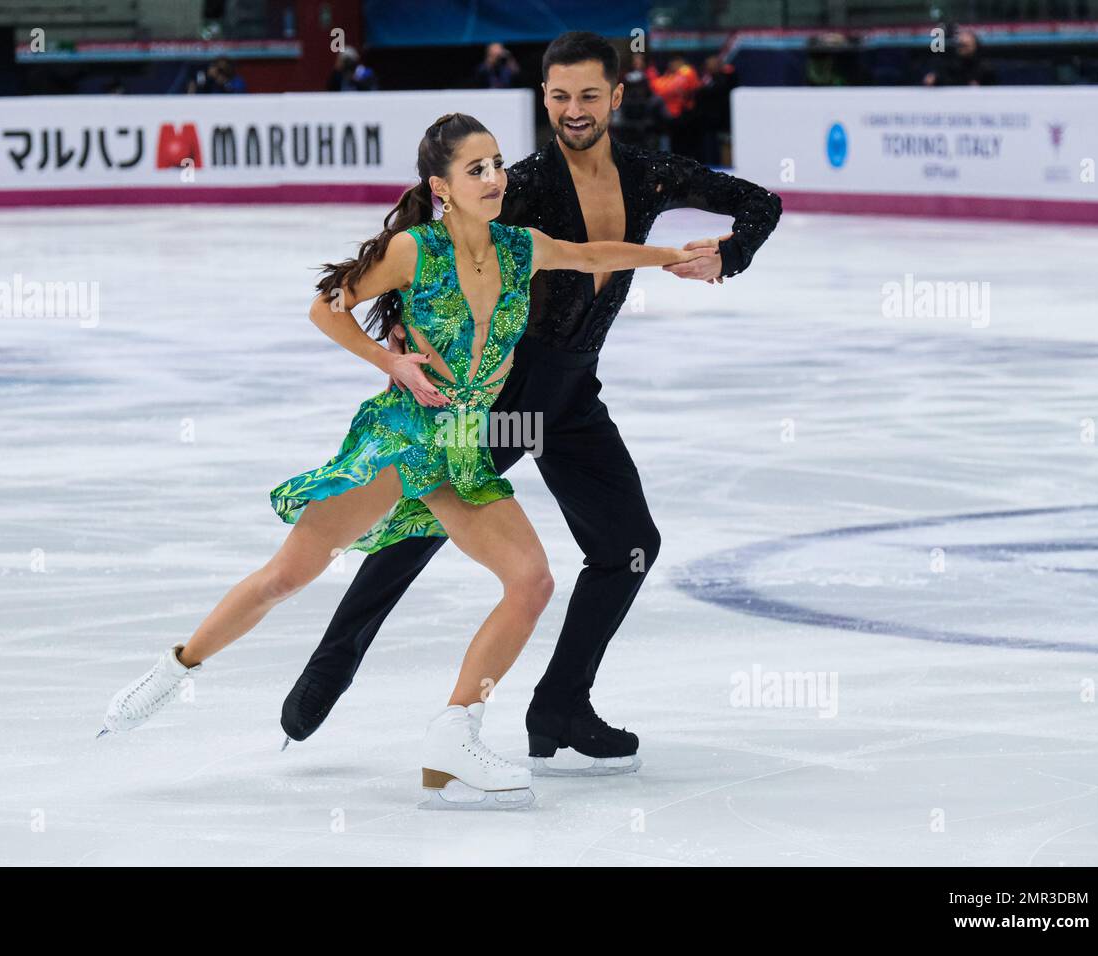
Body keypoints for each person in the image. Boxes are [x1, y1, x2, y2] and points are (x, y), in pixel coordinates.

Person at [98, 113, 713, 811]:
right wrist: (389, 359)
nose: (494, 179)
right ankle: (173, 667)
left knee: (530, 581)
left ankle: (454, 739)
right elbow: (327, 307)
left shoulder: (519, 247)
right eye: (475, 169)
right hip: (402, 439)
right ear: (441, 186)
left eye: (497, 165)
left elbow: (590, 255)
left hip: (459, 449)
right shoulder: (411, 251)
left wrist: (674, 258)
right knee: (286, 578)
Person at [281, 32, 782, 777]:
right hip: (504, 394)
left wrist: (727, 254)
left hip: (574, 397)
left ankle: (560, 706)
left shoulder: (650, 176)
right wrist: (404, 345)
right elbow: (438, 227)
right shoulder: (523, 184)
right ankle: (334, 661)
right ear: (541, 98)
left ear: (617, 96)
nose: (572, 110)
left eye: (588, 95)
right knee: (421, 522)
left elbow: (758, 202)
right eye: (557, 96)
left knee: (628, 546)